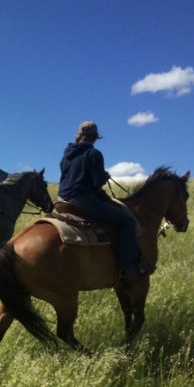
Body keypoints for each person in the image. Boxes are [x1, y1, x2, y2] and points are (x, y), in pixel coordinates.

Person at [58, 120, 154, 280]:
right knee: (127, 221)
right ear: (94, 137)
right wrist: (103, 176)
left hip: (62, 199)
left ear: (79, 135)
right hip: (82, 200)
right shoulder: (94, 154)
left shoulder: (66, 154)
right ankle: (128, 267)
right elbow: (96, 181)